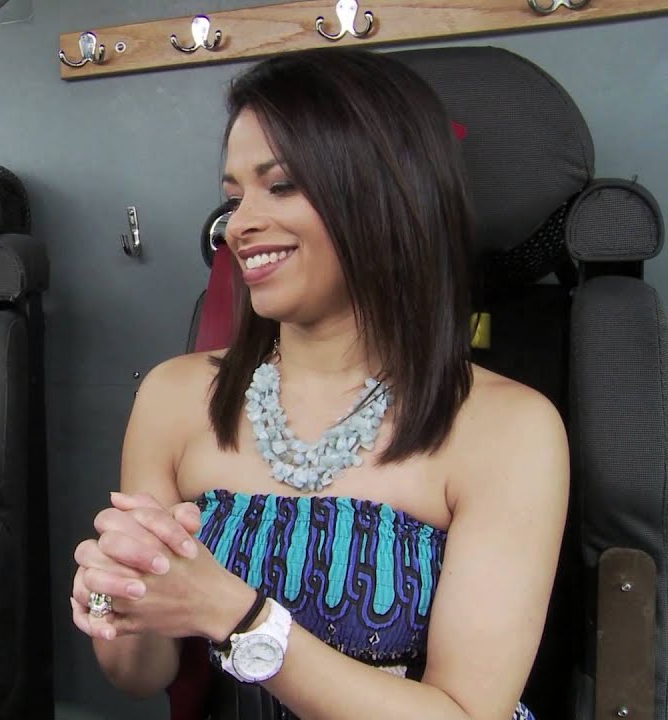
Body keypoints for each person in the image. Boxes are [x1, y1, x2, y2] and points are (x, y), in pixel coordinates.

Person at [70, 48, 567, 720]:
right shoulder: (174, 396)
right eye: (234, 197)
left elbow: (467, 712)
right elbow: (139, 674)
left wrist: (241, 618)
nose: (238, 225)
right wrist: (113, 595)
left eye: (280, 186)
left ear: (385, 198)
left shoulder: (509, 427)